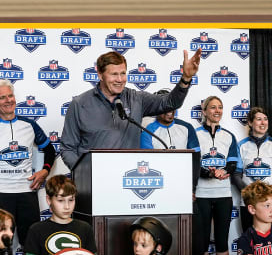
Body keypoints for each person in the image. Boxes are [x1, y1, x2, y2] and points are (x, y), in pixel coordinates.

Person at [60, 49, 200, 171]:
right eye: (114, 74)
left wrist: (186, 78)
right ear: (100, 75)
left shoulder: (136, 99)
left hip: (128, 180)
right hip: (92, 183)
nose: (120, 79)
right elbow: (67, 148)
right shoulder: (79, 104)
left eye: (123, 73)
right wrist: (82, 173)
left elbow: (170, 102)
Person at [0, 79, 56, 255]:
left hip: (27, 193)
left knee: (32, 247)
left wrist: (44, 171)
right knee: (1, 248)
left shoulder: (30, 125)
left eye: (10, 95)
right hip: (0, 195)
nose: (8, 100)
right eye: (2, 97)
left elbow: (50, 150)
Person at [193, 94, 240, 255]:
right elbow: (193, 165)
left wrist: (222, 172)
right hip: (201, 195)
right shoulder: (194, 135)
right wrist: (209, 173)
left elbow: (232, 164)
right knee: (201, 245)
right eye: (213, 107)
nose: (217, 111)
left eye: (220, 107)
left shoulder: (229, 136)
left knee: (222, 242)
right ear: (204, 111)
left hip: (223, 195)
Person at [234, 107, 272, 192]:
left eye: (265, 119)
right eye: (259, 119)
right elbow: (237, 174)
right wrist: (248, 192)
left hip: (270, 201)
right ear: (250, 123)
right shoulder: (241, 145)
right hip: (248, 200)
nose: (263, 123)